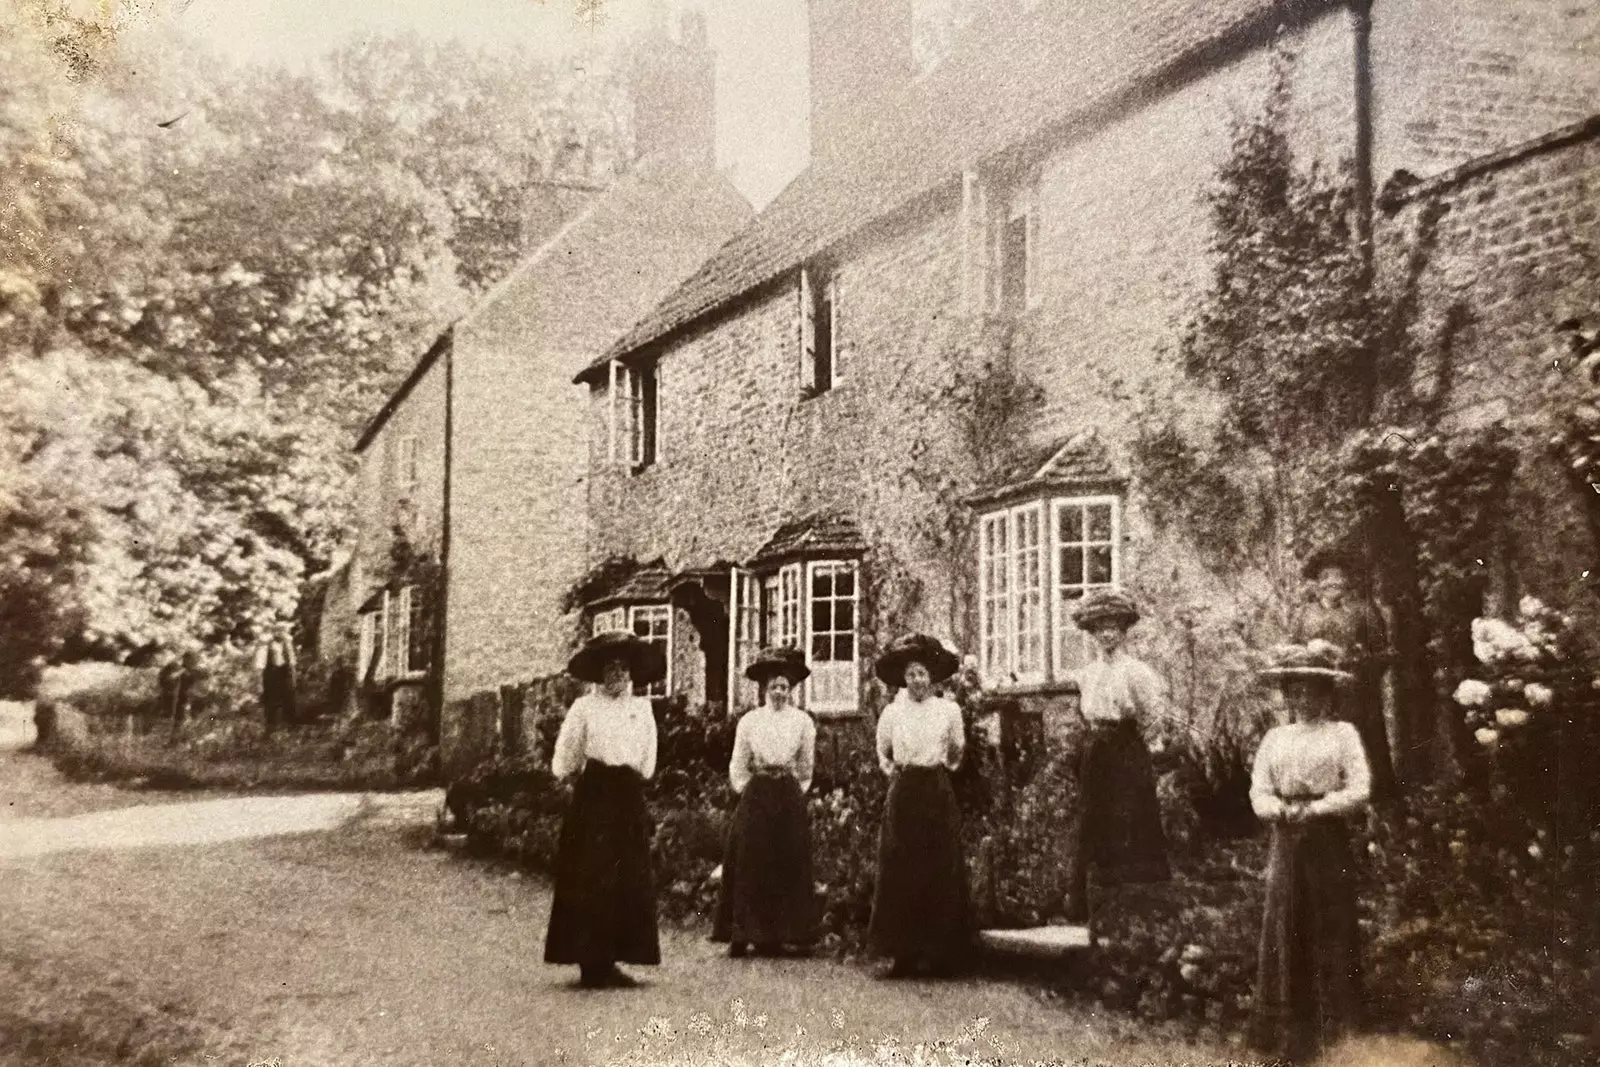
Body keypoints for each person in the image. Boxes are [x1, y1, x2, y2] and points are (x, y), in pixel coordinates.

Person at [1249, 641, 1371, 1062]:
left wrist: (1318, 808)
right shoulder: (1275, 738)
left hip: (1326, 838)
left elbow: (1360, 789)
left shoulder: (1343, 735)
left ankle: (1339, 1027)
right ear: (1287, 694)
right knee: (1287, 922)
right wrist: (1276, 809)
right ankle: (1289, 1030)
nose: (1304, 699)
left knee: (1330, 921)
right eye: (1296, 690)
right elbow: (1259, 790)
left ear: (1327, 694)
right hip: (1286, 838)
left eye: (1313, 691)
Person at [544, 631, 664, 989]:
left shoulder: (641, 709)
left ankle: (615, 957)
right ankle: (589, 959)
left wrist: (635, 776)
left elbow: (648, 756)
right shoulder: (585, 708)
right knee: (591, 872)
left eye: (624, 669)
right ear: (600, 673)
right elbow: (566, 754)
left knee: (626, 873)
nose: (618, 676)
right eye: (611, 669)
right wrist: (566, 775)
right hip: (594, 796)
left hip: (626, 794)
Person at [1061, 589, 1173, 924]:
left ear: (1124, 631)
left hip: (1127, 751)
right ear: (1092, 633)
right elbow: (1085, 714)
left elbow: (1155, 714)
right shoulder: (1088, 674)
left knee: (1130, 819)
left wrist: (1142, 740)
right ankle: (1094, 903)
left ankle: (1137, 902)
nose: (1107, 633)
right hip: (1098, 751)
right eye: (1100, 627)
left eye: (1114, 627)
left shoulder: (1137, 672)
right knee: (1095, 820)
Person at [869, 633, 971, 978]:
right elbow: (883, 752)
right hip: (905, 791)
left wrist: (940, 771)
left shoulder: (948, 711)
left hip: (936, 789)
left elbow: (957, 751)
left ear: (932, 678)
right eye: (911, 674)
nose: (917, 681)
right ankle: (904, 954)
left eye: (923, 674)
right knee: (902, 866)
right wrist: (897, 775)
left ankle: (940, 953)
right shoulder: (892, 714)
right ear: (904, 678)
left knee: (939, 865)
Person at [713, 644, 819, 959]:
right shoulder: (750, 722)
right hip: (757, 794)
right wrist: (749, 790)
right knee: (751, 860)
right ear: (764, 688)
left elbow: (806, 766)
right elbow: (738, 764)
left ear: (792, 690)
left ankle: (784, 933)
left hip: (787, 793)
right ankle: (744, 931)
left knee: (787, 859)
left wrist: (795, 790)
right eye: (774, 686)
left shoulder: (802, 722)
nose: (779, 692)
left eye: (785, 687)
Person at [1292, 550, 1394, 799]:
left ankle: (1371, 816)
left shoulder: (1364, 611)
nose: (1332, 583)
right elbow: (1293, 653)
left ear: (1348, 581)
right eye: (1325, 577)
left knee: (1361, 754)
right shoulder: (1304, 615)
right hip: (1315, 699)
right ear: (1317, 584)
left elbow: (1384, 655)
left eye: (1338, 577)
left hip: (1357, 700)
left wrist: (1354, 668)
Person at [255, 631, 297, 734]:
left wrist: (294, 678)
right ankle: (270, 727)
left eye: (282, 629)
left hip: (284, 673)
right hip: (271, 674)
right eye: (277, 629)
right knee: (271, 701)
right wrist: (260, 683)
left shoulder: (287, 643)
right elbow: (260, 666)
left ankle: (290, 726)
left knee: (288, 698)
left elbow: (292, 663)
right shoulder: (265, 645)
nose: (280, 632)